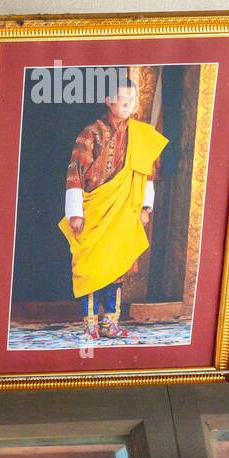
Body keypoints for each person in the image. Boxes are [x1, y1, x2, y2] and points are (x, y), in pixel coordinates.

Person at [58, 79, 168, 340]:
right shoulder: (91, 133)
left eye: (133, 101)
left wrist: (145, 207)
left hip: (124, 212)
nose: (129, 105)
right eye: (123, 100)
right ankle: (90, 324)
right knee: (91, 266)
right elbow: (75, 172)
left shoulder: (141, 134)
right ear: (109, 100)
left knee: (116, 267)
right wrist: (76, 212)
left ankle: (110, 324)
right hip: (94, 208)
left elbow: (146, 175)